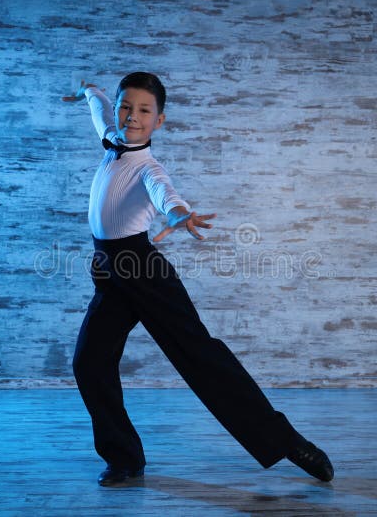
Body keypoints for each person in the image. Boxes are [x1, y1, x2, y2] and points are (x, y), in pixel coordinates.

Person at [61, 72, 334, 486]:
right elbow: (99, 109)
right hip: (109, 271)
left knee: (202, 358)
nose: (132, 116)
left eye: (144, 111)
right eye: (126, 107)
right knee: (89, 361)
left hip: (143, 270)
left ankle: (288, 441)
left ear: (159, 121)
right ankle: (124, 458)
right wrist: (89, 91)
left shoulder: (147, 168)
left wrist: (179, 215)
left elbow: (166, 195)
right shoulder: (111, 138)